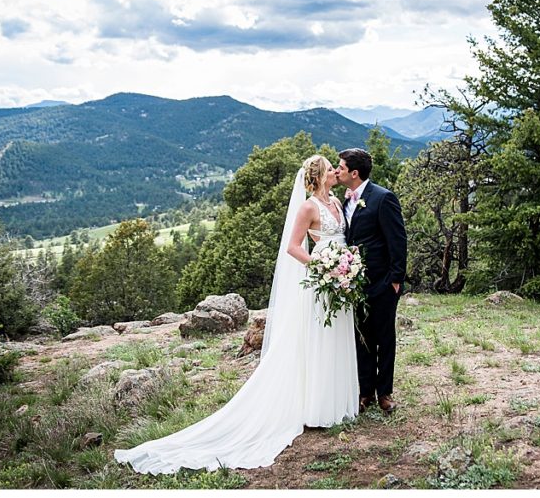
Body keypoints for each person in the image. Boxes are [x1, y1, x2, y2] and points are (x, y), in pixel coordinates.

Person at [114, 155, 358, 474]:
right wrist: (323, 268)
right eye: (329, 169)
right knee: (316, 342)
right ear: (318, 176)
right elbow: (293, 247)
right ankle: (315, 408)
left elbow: (341, 238)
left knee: (335, 339)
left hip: (341, 278)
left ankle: (336, 403)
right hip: (322, 280)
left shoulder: (337, 203)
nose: (334, 172)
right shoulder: (308, 207)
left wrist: (347, 266)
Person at [335, 148, 407, 415]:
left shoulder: (383, 198)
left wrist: (396, 280)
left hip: (383, 281)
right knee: (361, 337)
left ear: (354, 173)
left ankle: (384, 393)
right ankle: (364, 391)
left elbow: (397, 240)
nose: (337, 170)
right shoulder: (342, 202)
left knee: (384, 337)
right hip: (354, 283)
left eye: (340, 167)